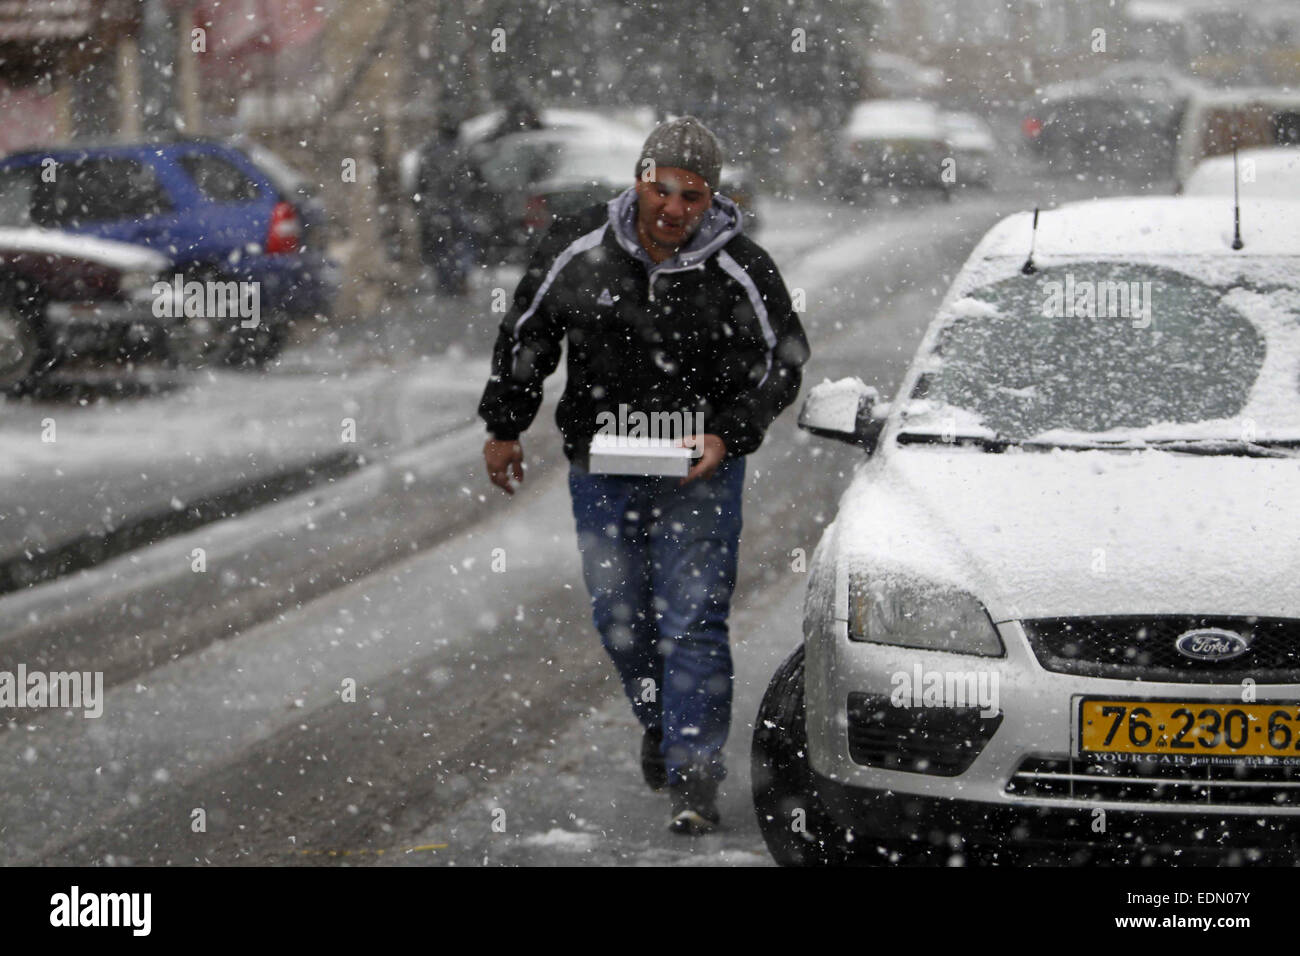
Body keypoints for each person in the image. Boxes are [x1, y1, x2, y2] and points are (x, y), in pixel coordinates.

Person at [477, 116, 810, 833]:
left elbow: (784, 362)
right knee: (621, 618)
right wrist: (505, 423)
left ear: (711, 200)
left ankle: (695, 771)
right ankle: (662, 723)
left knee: (692, 619)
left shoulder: (740, 267)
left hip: (699, 470)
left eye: (691, 196)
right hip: (603, 465)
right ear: (639, 181)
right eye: (661, 189)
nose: (673, 208)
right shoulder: (578, 246)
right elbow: (529, 332)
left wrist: (729, 433)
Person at [415, 115, 480, 295]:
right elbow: (475, 178)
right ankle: (461, 275)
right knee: (463, 242)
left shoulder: (429, 151)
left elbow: (420, 180)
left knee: (440, 245)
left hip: (435, 206)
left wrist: (421, 202)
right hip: (459, 205)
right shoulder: (464, 150)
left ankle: (444, 280)